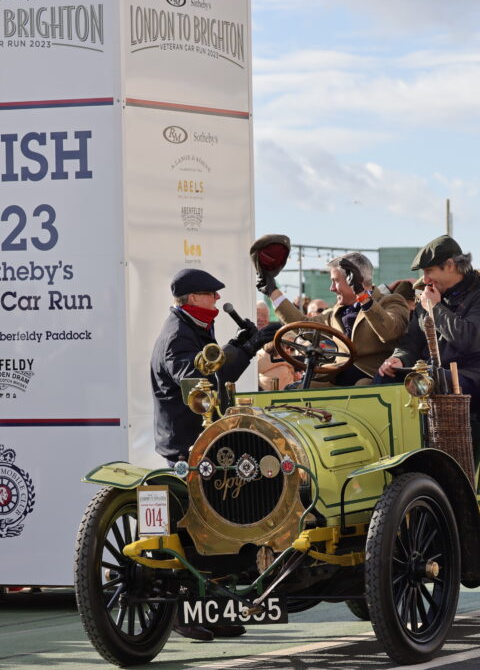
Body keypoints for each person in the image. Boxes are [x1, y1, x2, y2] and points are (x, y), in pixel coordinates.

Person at [150, 267, 279, 642]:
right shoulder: (177, 335)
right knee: (191, 530)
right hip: (186, 445)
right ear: (192, 299)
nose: (217, 300)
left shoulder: (192, 325)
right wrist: (247, 348)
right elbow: (200, 379)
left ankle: (219, 603)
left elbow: (212, 365)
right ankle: (176, 608)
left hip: (209, 443)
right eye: (211, 294)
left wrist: (237, 345)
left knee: (223, 520)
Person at [378, 235, 480, 403]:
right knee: (385, 375)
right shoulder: (430, 296)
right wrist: (399, 358)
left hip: (473, 375)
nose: (425, 280)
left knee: (430, 380)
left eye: (429, 271)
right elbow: (411, 342)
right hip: (432, 373)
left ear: (450, 266)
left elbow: (469, 340)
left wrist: (435, 308)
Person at [258, 247, 411, 386]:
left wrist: (362, 296)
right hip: (336, 377)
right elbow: (304, 324)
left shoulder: (391, 302)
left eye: (335, 281)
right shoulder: (336, 313)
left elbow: (389, 332)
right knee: (298, 389)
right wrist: (273, 291)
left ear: (355, 280)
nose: (331, 288)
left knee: (362, 387)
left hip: (373, 379)